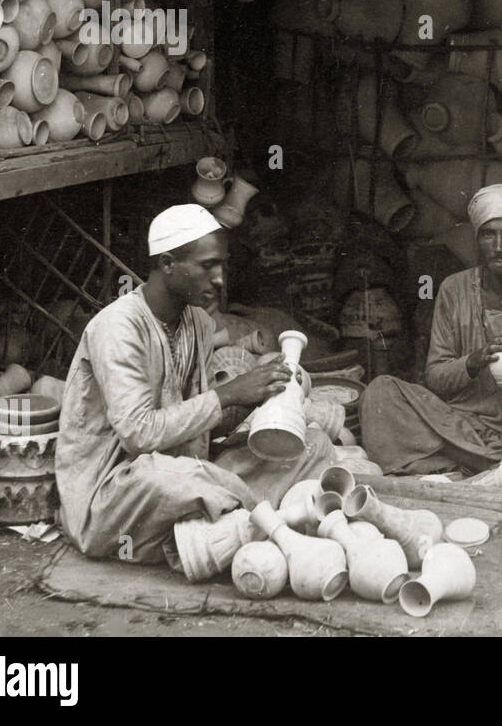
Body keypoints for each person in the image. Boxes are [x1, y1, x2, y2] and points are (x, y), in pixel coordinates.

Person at [55, 204, 334, 566]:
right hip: (118, 490)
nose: (219, 278)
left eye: (222, 265)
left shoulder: (197, 324)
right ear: (168, 264)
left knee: (313, 445)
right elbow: (138, 434)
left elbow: (195, 425)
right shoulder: (119, 328)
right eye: (207, 266)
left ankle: (233, 527)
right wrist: (228, 393)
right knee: (168, 476)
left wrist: (259, 400)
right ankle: (257, 522)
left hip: (188, 468)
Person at [361, 184, 502, 476]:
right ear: (476, 240)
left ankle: (462, 463)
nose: (498, 246)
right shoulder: (454, 289)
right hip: (460, 425)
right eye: (487, 234)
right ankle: (491, 463)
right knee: (380, 393)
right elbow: (435, 377)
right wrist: (473, 361)